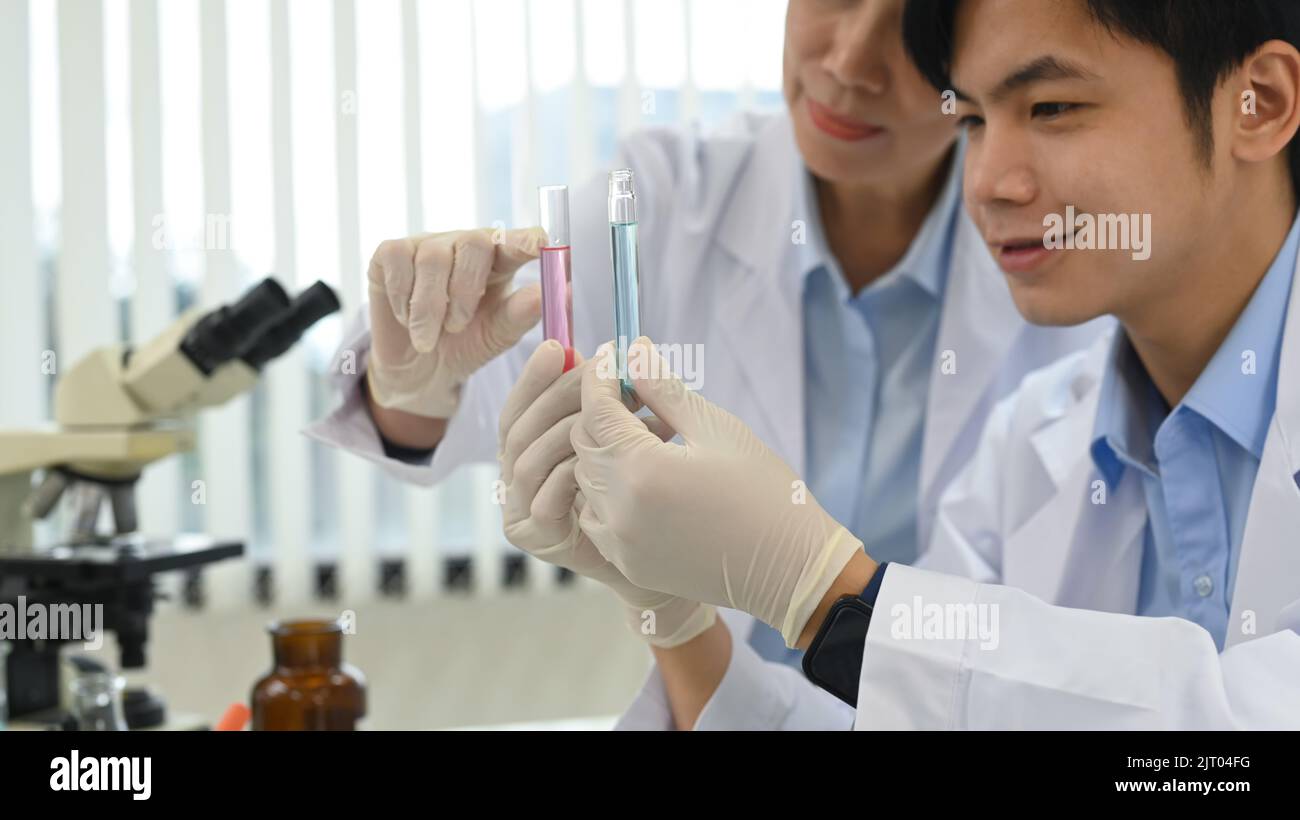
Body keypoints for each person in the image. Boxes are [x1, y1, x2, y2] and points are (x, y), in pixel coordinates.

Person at [504, 0, 1300, 729]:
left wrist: (830, 595)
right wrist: (676, 617)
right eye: (976, 119)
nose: (987, 184)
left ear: (1256, 101)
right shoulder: (1030, 447)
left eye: (1052, 107)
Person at [306, 0, 1103, 666]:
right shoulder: (665, 198)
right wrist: (412, 376)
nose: (849, 62)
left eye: (906, 23)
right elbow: (461, 405)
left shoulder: (1068, 250)